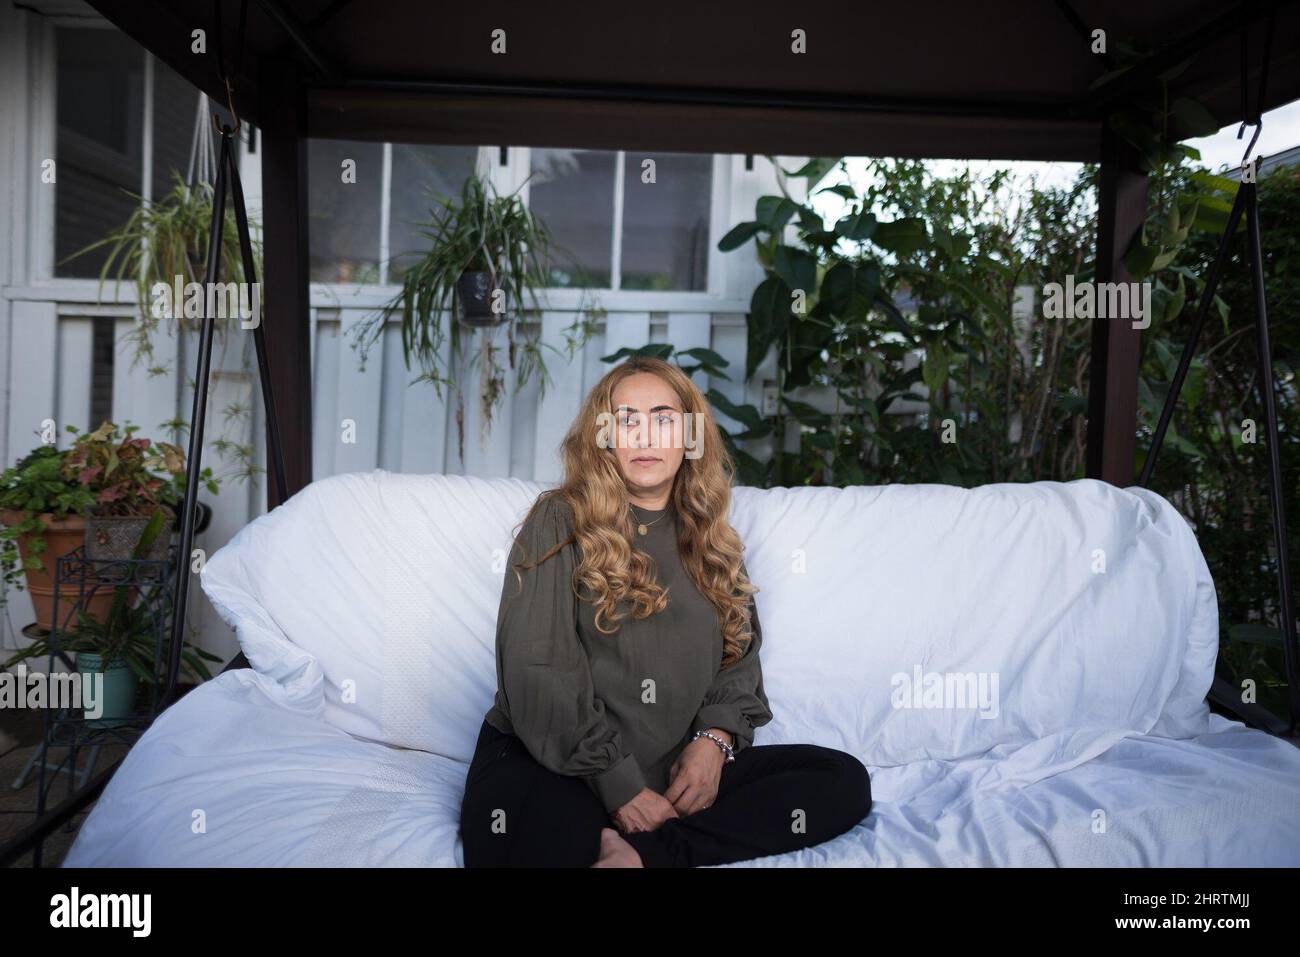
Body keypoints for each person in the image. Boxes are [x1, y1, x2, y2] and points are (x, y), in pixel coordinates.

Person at [459, 356, 872, 867]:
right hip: (558, 759)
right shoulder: (559, 519)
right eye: (626, 420)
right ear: (604, 438)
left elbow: (738, 662)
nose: (645, 436)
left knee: (840, 780)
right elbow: (536, 672)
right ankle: (614, 838)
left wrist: (714, 742)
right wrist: (620, 786)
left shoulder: (711, 537)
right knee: (525, 843)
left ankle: (643, 853)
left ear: (690, 436)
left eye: (662, 418)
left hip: (670, 768)